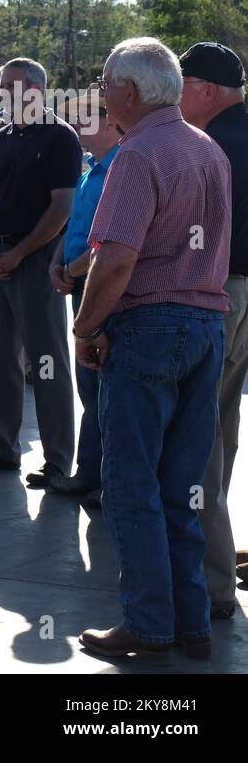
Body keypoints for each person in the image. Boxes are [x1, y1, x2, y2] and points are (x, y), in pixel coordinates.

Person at [75, 37, 231, 663]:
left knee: (132, 484)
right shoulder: (206, 147)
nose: (102, 93)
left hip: (151, 329)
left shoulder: (137, 153)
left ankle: (148, 624)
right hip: (205, 325)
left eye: (106, 83)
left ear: (130, 92)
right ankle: (190, 624)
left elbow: (115, 258)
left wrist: (86, 329)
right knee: (182, 486)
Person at [0, 58, 80, 485]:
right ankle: (3, 448)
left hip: (36, 264)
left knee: (46, 361)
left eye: (8, 85)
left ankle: (58, 462)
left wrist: (21, 253)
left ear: (33, 89)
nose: (1, 93)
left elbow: (62, 207)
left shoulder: (61, 138)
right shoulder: (1, 139)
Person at [177, 41, 248, 620]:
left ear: (206, 91)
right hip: (238, 291)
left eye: (180, 84)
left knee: (198, 437)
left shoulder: (212, 146)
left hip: (217, 291)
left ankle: (207, 583)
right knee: (220, 424)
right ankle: (214, 577)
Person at [48, 86, 120, 508]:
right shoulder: (91, 170)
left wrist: (70, 271)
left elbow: (109, 243)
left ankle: (106, 479)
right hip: (80, 286)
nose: (77, 125)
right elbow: (75, 227)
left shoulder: (119, 171)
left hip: (101, 292)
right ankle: (90, 473)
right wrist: (58, 262)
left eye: (86, 117)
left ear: (111, 120)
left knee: (105, 390)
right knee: (90, 389)